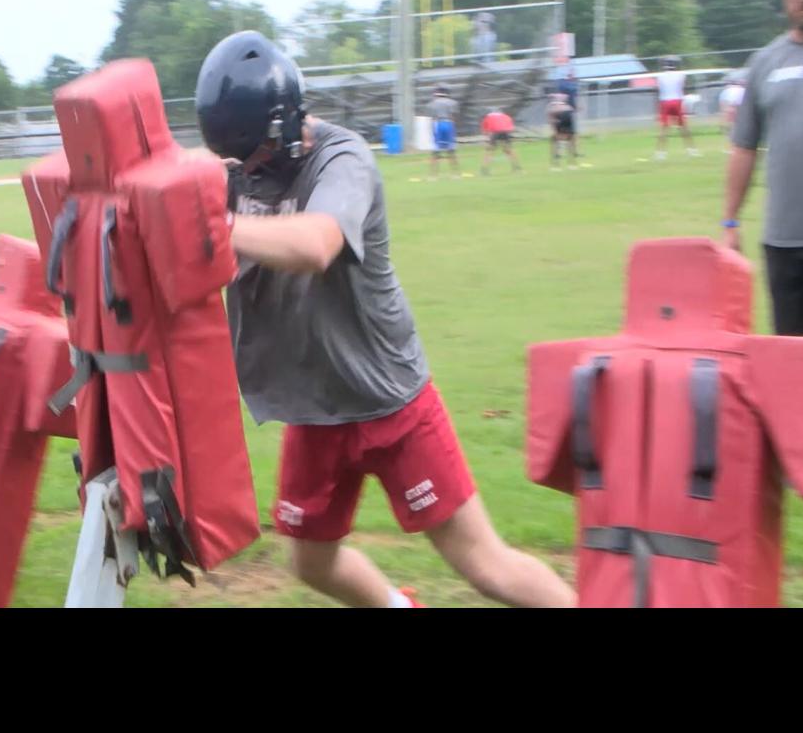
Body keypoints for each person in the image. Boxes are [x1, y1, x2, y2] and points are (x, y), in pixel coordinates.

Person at [194, 31, 576, 608]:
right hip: (315, 405)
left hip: (388, 398)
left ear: (284, 123)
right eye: (236, 159)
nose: (248, 170)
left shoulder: (342, 158)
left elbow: (317, 244)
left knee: (482, 562)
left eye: (255, 156)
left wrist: (215, 226)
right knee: (311, 560)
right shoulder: (240, 168)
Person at [722, 0, 803, 336]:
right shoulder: (765, 63)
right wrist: (730, 221)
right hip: (785, 239)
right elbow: (744, 147)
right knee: (790, 353)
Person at [654, 55, 699, 159]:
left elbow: (659, 88)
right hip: (677, 101)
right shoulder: (681, 75)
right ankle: (691, 150)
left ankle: (660, 153)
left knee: (664, 128)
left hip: (665, 101)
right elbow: (682, 86)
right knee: (683, 127)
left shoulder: (660, 76)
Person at [427, 85, 463, 180]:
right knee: (451, 150)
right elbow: (454, 116)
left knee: (436, 150)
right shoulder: (452, 102)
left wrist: (432, 131)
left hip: (438, 124)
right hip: (449, 124)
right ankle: (456, 174)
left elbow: (432, 117)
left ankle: (433, 175)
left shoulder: (432, 103)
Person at [480, 107, 521, 176]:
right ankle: (516, 167)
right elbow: (511, 127)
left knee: (489, 151)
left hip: (495, 132)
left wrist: (487, 141)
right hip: (505, 132)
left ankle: (484, 169)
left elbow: (485, 131)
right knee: (509, 150)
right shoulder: (506, 116)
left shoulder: (488, 117)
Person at [718, 70, 747, 153]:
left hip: (732, 108)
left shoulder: (727, 91)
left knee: (732, 128)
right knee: (737, 127)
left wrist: (723, 117)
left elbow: (723, 105)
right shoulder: (741, 89)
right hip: (737, 108)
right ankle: (737, 145)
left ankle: (732, 146)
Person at [547, 91, 577, 170]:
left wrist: (554, 131)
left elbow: (551, 119)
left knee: (555, 141)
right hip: (568, 113)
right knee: (570, 140)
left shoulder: (551, 105)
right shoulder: (566, 103)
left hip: (559, 114)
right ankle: (572, 164)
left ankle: (556, 165)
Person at [556, 70, 582, 158]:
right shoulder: (567, 85)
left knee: (566, 133)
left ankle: (565, 152)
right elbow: (571, 96)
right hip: (566, 111)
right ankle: (567, 152)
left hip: (563, 111)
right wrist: (576, 106)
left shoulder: (563, 84)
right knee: (569, 133)